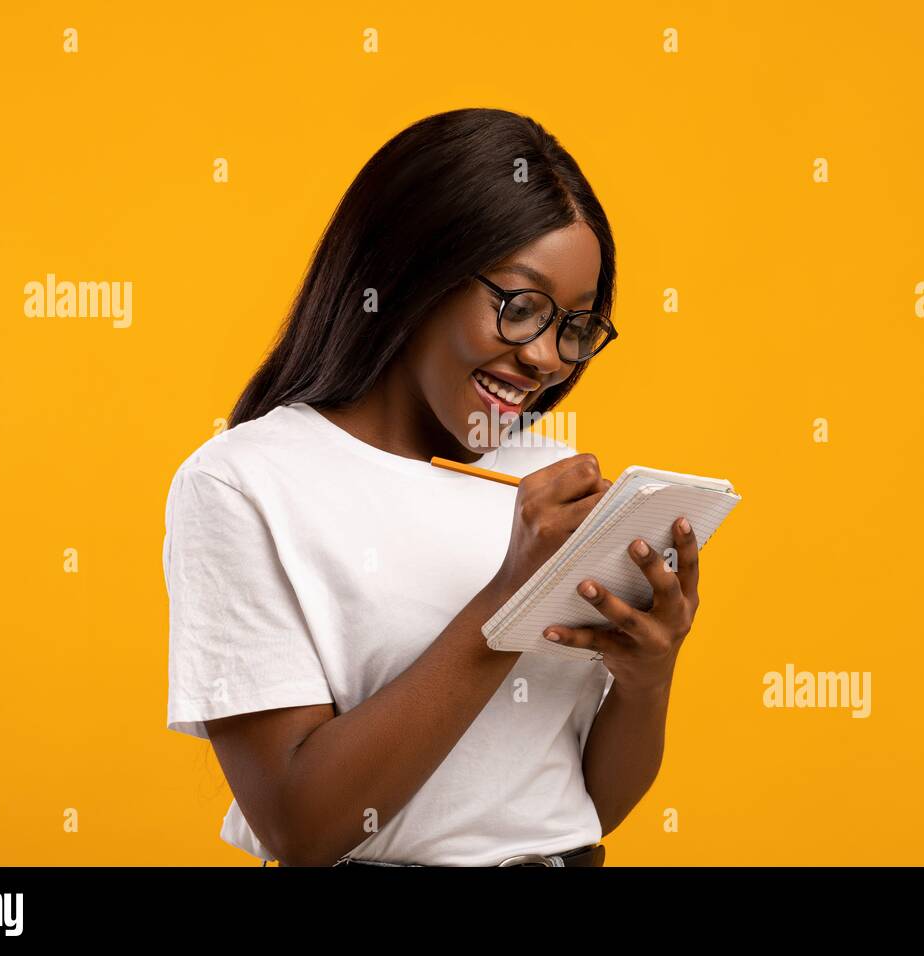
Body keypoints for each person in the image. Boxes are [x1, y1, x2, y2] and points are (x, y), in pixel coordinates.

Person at [163, 107, 704, 867]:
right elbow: (300, 826)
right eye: (521, 308)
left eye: (578, 327)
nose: (548, 357)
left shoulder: (541, 480)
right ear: (410, 272)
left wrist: (646, 677)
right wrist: (507, 601)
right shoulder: (244, 482)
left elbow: (574, 808)